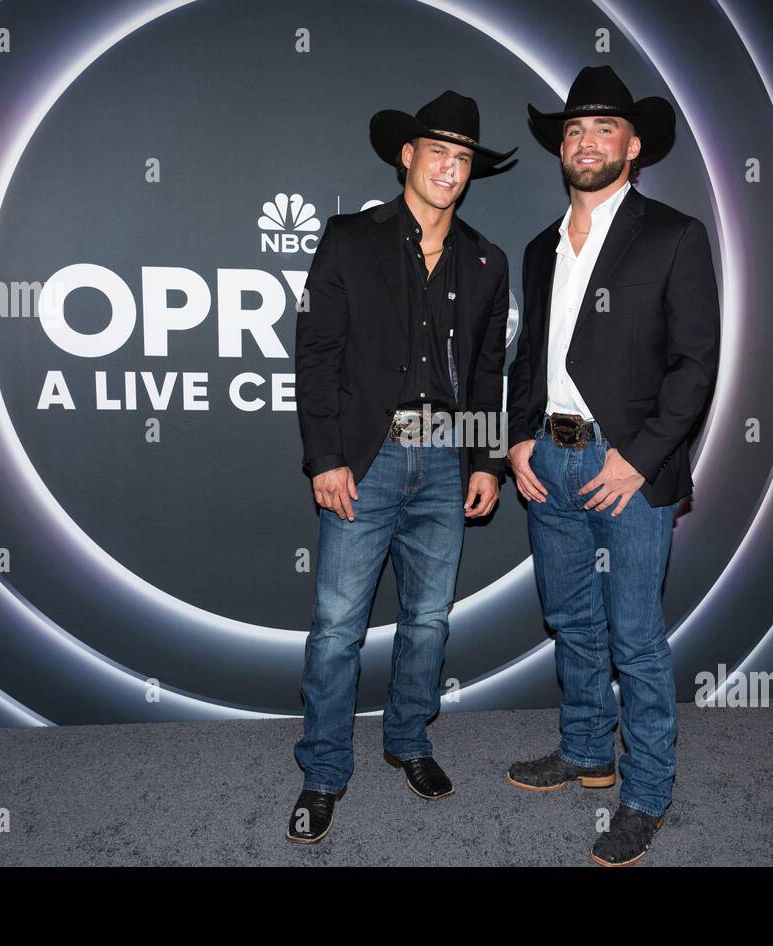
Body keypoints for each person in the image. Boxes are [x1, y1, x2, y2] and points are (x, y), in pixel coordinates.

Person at [504, 66, 720, 866]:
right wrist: (517, 439)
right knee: (570, 621)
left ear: (633, 148)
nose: (585, 141)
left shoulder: (673, 235)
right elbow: (531, 356)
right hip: (548, 467)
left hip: (627, 469)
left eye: (602, 130)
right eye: (572, 131)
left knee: (635, 635)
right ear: (561, 150)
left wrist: (640, 458)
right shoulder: (539, 247)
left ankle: (646, 793)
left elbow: (696, 364)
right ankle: (587, 750)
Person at [288, 90, 515, 844]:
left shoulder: (488, 260)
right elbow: (316, 355)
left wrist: (485, 460)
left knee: (426, 619)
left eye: (464, 157)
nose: (451, 167)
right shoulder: (351, 240)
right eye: (438, 152)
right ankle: (323, 771)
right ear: (406, 157)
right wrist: (325, 456)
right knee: (337, 626)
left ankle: (409, 742)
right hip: (370, 457)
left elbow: (488, 372)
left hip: (448, 461)